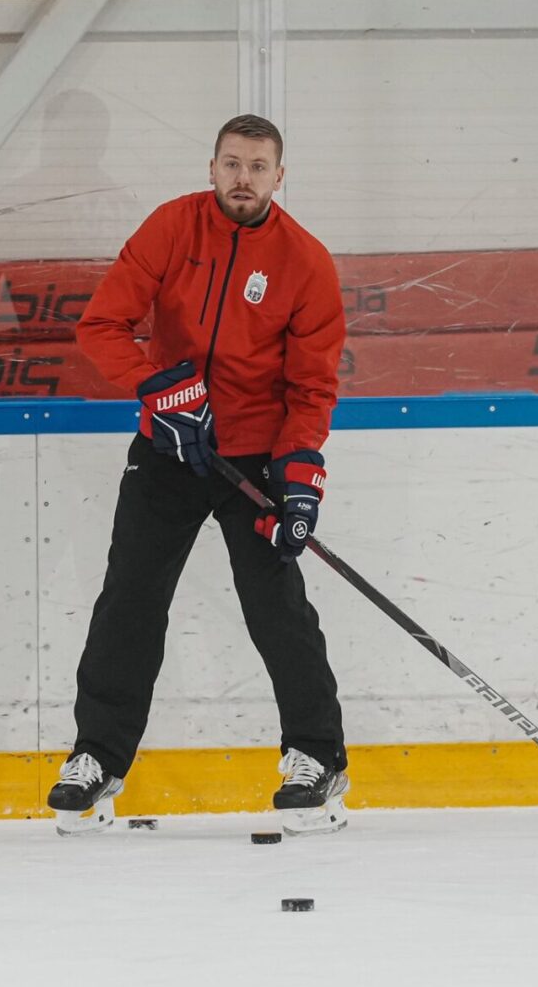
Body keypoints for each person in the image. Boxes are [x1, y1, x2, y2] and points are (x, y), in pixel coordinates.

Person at [45, 114, 351, 837]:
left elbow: (312, 387)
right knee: (130, 598)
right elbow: (102, 326)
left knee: (274, 605)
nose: (243, 177)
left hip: (254, 455)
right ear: (212, 166)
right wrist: (159, 388)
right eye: (232, 163)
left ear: (281, 177)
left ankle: (317, 755)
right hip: (169, 450)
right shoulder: (172, 228)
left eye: (258, 166)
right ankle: (98, 756)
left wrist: (300, 475)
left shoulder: (306, 262)